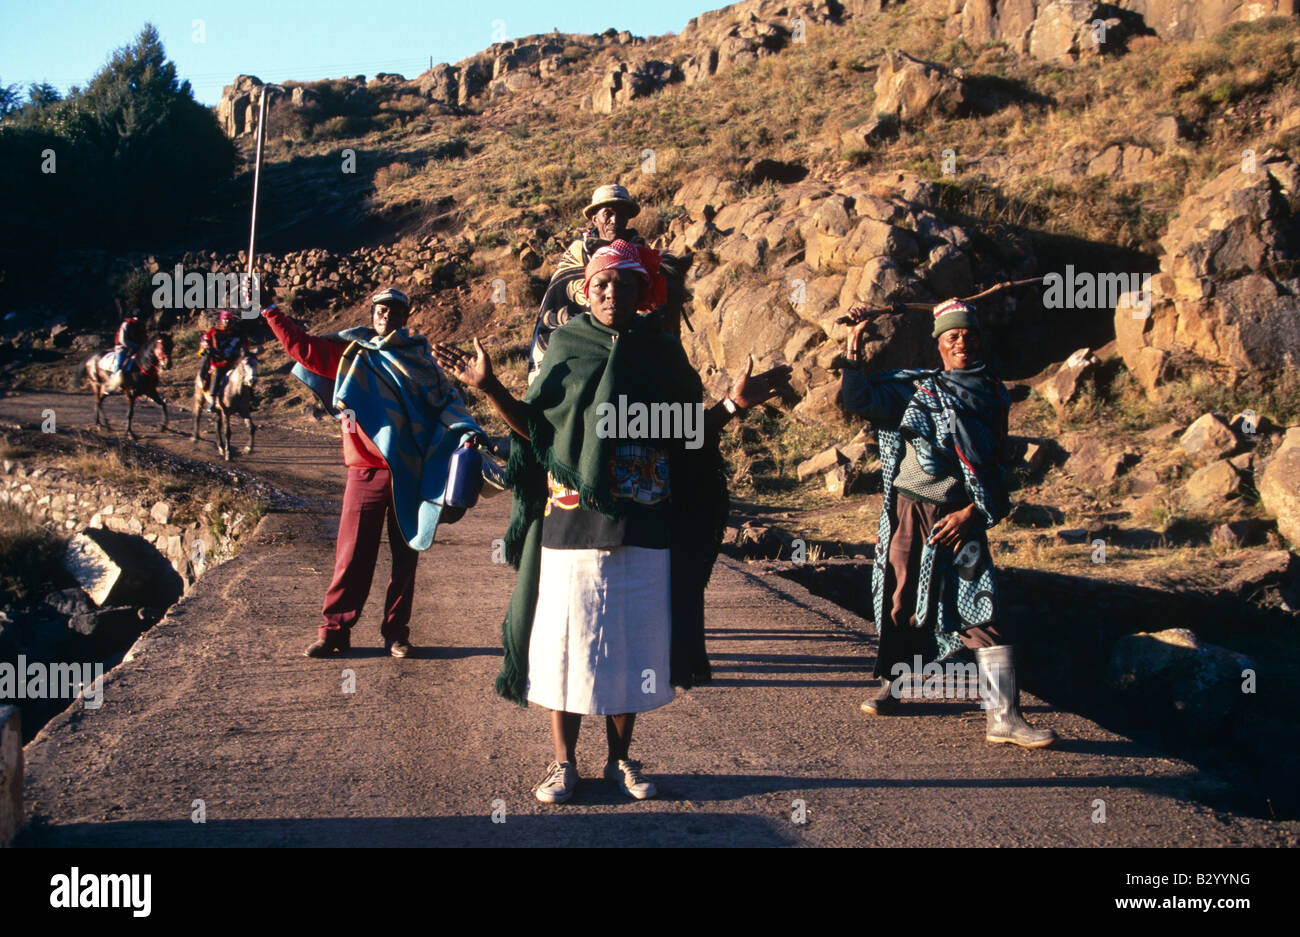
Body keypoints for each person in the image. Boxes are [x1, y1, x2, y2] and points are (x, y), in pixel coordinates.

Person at [434, 240, 793, 803]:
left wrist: (731, 407)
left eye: (624, 283)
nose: (611, 292)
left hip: (643, 524)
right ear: (585, 289)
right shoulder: (567, 346)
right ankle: (562, 764)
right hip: (571, 524)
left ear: (641, 291)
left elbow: (684, 435)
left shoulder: (662, 352)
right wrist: (490, 388)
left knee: (631, 647)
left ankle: (621, 760)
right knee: (564, 646)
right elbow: (538, 429)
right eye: (601, 283)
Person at [840, 298, 1056, 748]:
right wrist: (854, 343)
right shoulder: (918, 389)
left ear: (980, 340)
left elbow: (991, 465)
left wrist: (973, 513)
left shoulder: (993, 395)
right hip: (908, 511)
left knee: (981, 608)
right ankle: (896, 685)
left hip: (960, 517)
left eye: (969, 335)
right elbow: (858, 398)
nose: (962, 343)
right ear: (938, 344)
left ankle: (1004, 718)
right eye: (952, 336)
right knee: (900, 601)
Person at [263, 287, 486, 659]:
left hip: (410, 472)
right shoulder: (351, 355)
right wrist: (270, 309)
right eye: (381, 308)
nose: (386, 314)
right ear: (372, 314)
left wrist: (467, 432)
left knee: (406, 553)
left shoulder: (421, 361)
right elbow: (301, 348)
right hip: (365, 470)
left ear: (404, 317)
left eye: (395, 310)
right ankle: (334, 631)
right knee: (351, 552)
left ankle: (396, 633)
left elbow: (447, 402)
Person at [526, 184, 687, 384]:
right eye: (607, 214)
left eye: (622, 214)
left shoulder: (643, 255)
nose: (615, 220)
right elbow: (558, 306)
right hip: (582, 355)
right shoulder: (577, 256)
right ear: (595, 218)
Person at [199, 310, 247, 412]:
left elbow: (244, 343)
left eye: (229, 320)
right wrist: (207, 348)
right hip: (218, 361)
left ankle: (249, 400)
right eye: (225, 320)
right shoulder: (214, 331)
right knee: (218, 373)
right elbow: (205, 340)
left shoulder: (237, 333)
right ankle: (212, 400)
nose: (227, 322)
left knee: (248, 374)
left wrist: (243, 349)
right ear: (221, 320)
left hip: (234, 361)